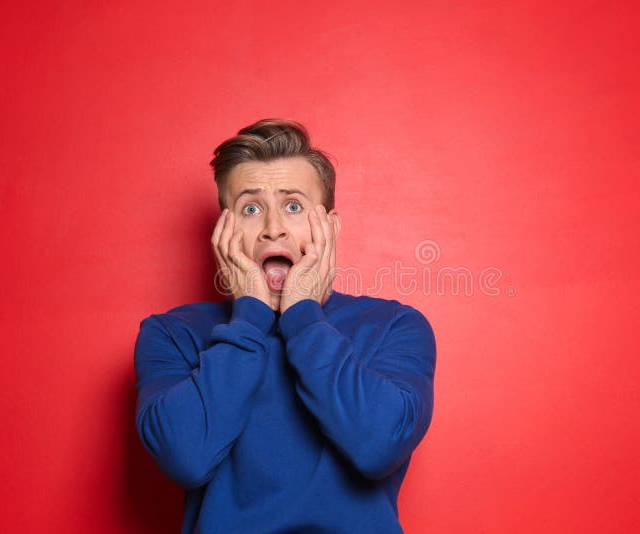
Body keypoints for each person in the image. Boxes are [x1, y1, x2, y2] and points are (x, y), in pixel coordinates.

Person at [133, 119, 436, 533]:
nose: (272, 228)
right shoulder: (171, 334)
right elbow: (185, 457)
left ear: (329, 227)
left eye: (293, 206)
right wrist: (251, 315)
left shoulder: (396, 326)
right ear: (224, 232)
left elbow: (378, 446)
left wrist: (303, 315)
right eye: (251, 209)